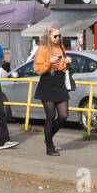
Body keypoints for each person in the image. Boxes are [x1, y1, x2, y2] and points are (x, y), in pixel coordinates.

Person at [33, 25, 70, 156]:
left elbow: (63, 66)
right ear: (48, 36)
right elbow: (38, 70)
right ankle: (50, 146)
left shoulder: (60, 47)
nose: (58, 38)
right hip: (47, 83)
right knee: (50, 116)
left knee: (63, 115)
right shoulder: (43, 49)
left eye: (60, 36)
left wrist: (67, 61)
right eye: (55, 36)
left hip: (59, 83)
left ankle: (48, 136)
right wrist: (49, 62)